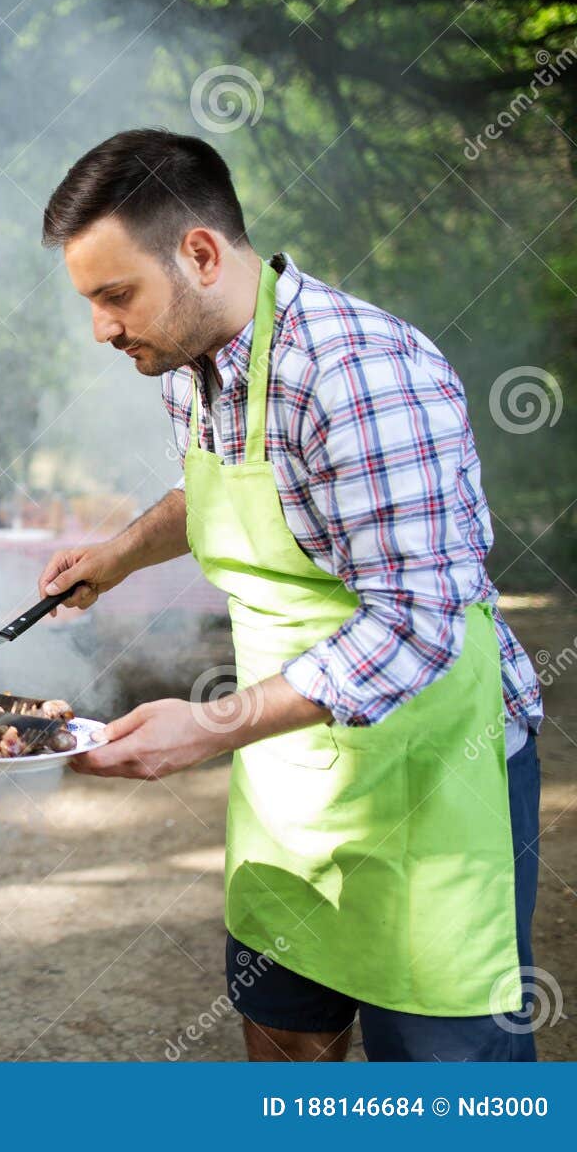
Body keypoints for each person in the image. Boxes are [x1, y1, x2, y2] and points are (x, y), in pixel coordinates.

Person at [38, 129, 542, 1062]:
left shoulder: (362, 372)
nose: (101, 329)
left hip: (435, 768)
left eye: (116, 296)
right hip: (289, 771)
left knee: (442, 1086)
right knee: (284, 1046)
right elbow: (220, 493)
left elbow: (415, 626)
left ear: (197, 253)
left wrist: (211, 725)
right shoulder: (190, 369)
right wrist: (114, 556)